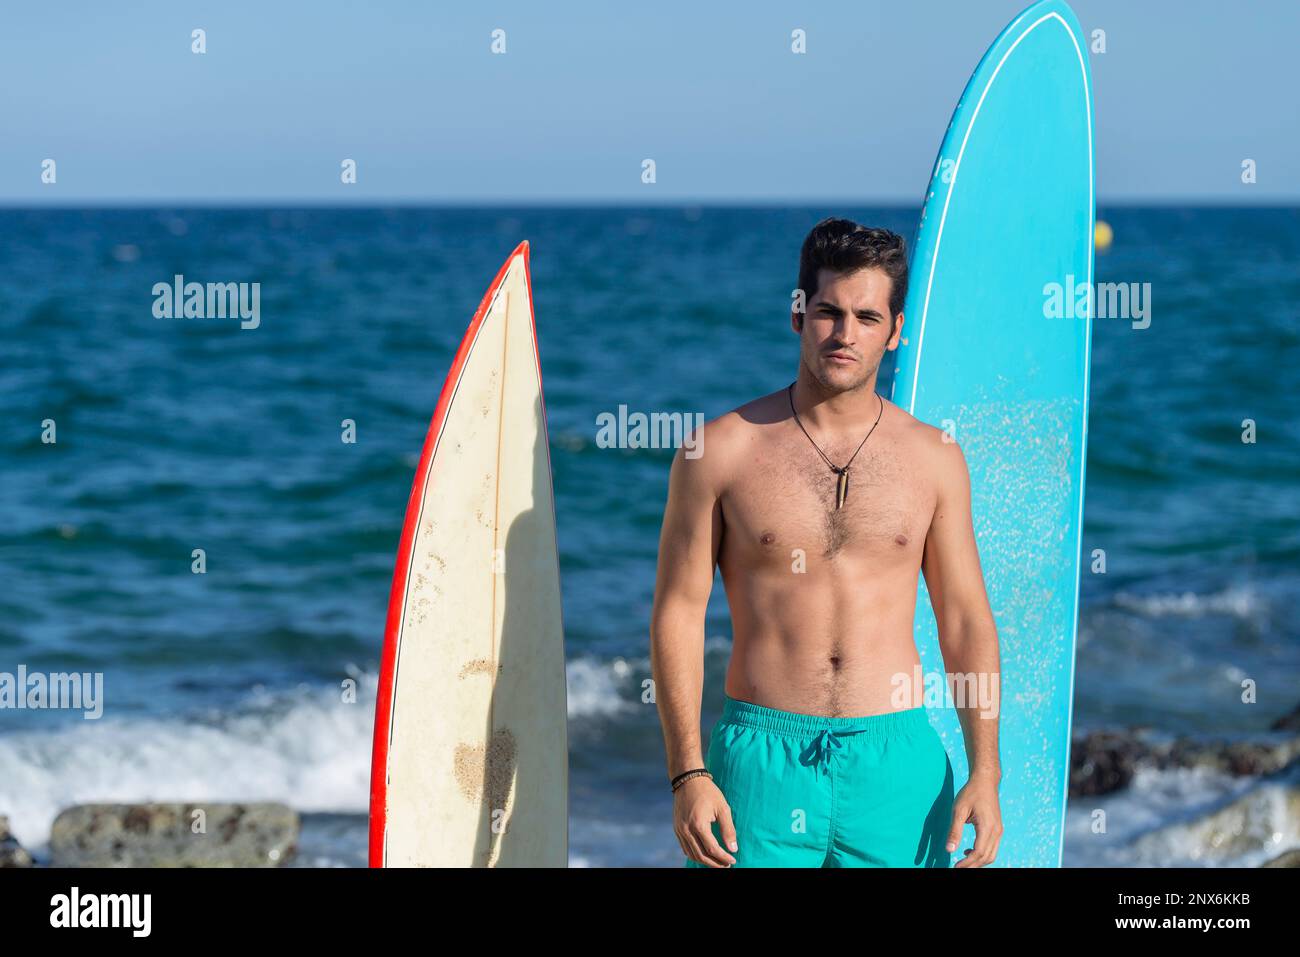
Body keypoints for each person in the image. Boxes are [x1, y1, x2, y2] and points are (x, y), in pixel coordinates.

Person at [651, 217, 1003, 868]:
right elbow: (678, 610)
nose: (845, 334)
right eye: (828, 312)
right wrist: (687, 773)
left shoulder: (934, 459)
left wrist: (986, 769)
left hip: (897, 766)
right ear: (798, 315)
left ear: (896, 331)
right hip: (759, 762)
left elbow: (964, 619)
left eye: (867, 317)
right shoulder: (719, 451)